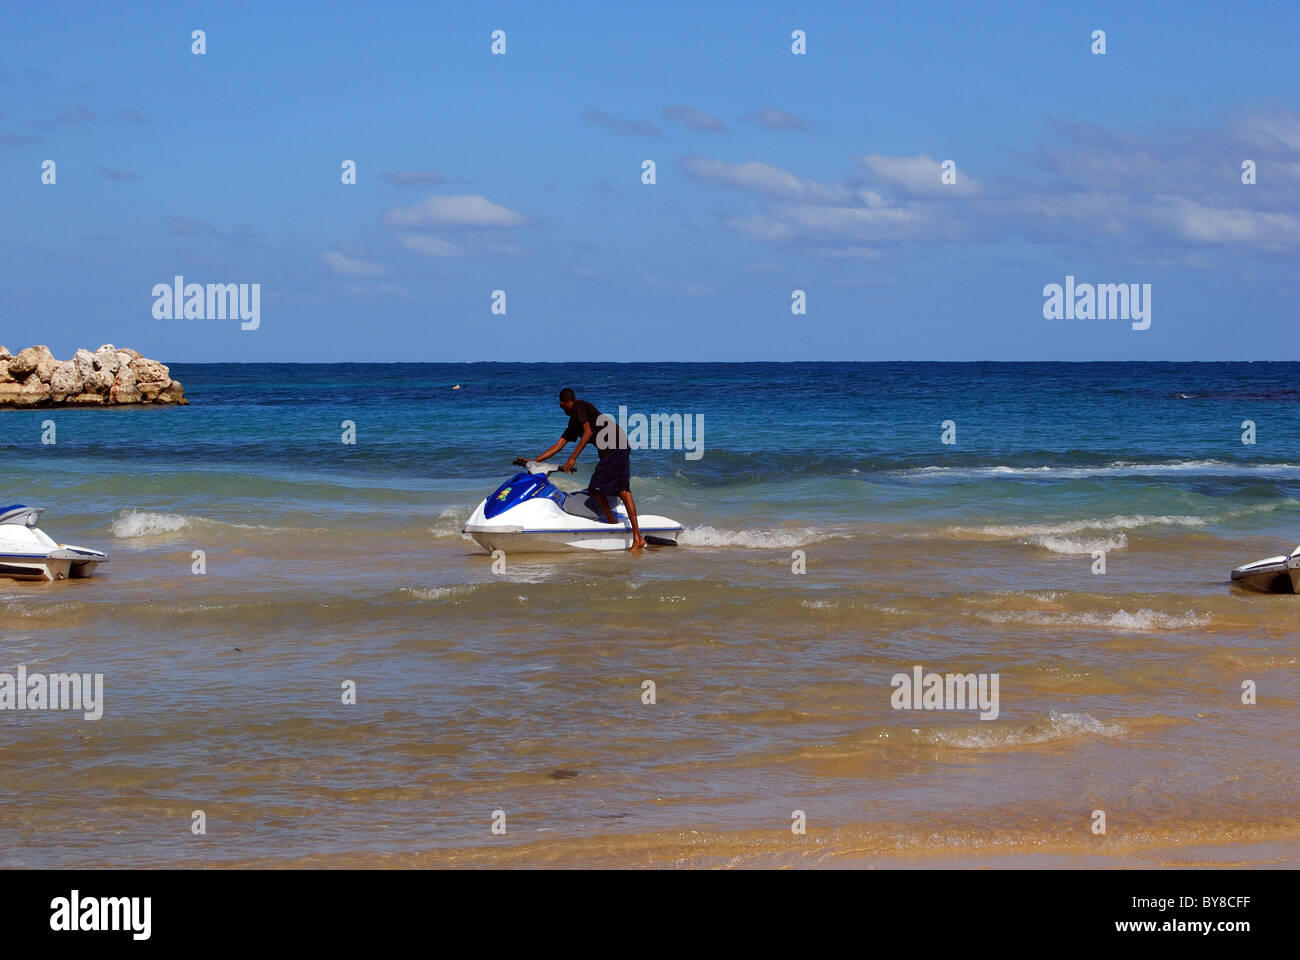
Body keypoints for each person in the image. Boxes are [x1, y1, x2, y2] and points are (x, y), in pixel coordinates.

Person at [521, 387, 645, 550]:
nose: (561, 408)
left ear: (564, 403)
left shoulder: (579, 406)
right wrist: (533, 462)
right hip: (617, 446)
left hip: (615, 447)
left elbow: (587, 432)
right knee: (622, 490)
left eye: (561, 406)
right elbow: (558, 446)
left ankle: (614, 524)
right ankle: (637, 537)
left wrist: (573, 458)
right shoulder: (573, 423)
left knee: (596, 488)